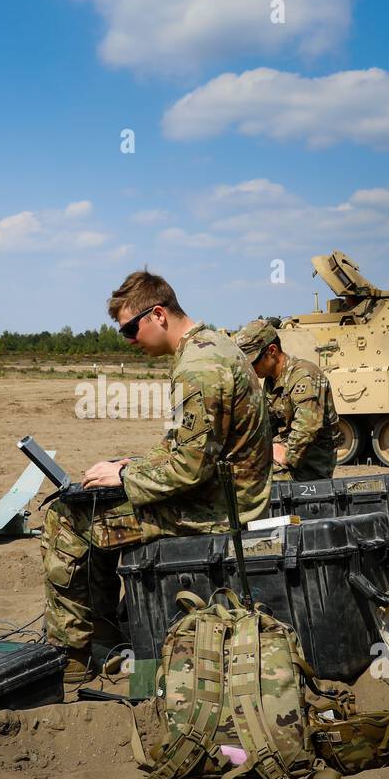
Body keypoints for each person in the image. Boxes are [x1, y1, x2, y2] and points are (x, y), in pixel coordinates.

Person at [41, 271, 272, 685]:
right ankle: (108, 638)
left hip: (215, 509)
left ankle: (75, 657)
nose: (129, 340)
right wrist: (133, 465)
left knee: (67, 519)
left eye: (131, 328)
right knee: (93, 501)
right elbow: (188, 446)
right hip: (222, 494)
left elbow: (189, 468)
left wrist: (126, 476)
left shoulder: (199, 366)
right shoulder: (209, 348)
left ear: (159, 314)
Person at [233, 318, 342, 482]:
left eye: (253, 362)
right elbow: (267, 424)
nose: (251, 370)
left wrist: (286, 455)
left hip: (309, 461)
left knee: (249, 482)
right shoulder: (271, 380)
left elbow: (307, 427)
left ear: (272, 350)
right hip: (287, 450)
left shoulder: (303, 375)